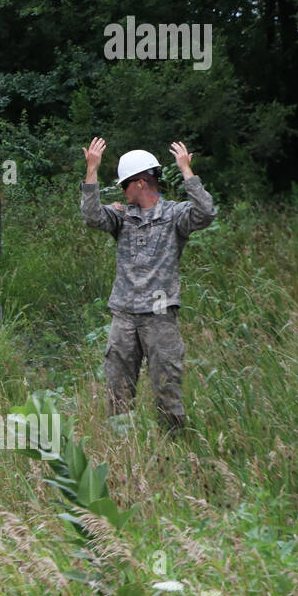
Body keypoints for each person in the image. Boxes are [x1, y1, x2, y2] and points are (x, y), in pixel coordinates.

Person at [80, 139, 217, 433]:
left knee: (168, 392)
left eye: (124, 185)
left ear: (140, 183)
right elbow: (91, 216)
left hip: (159, 317)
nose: (121, 191)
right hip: (124, 318)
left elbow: (206, 213)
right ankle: (123, 453)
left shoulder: (174, 216)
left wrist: (186, 170)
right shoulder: (122, 216)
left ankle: (174, 451)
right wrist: (92, 169)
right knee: (118, 393)